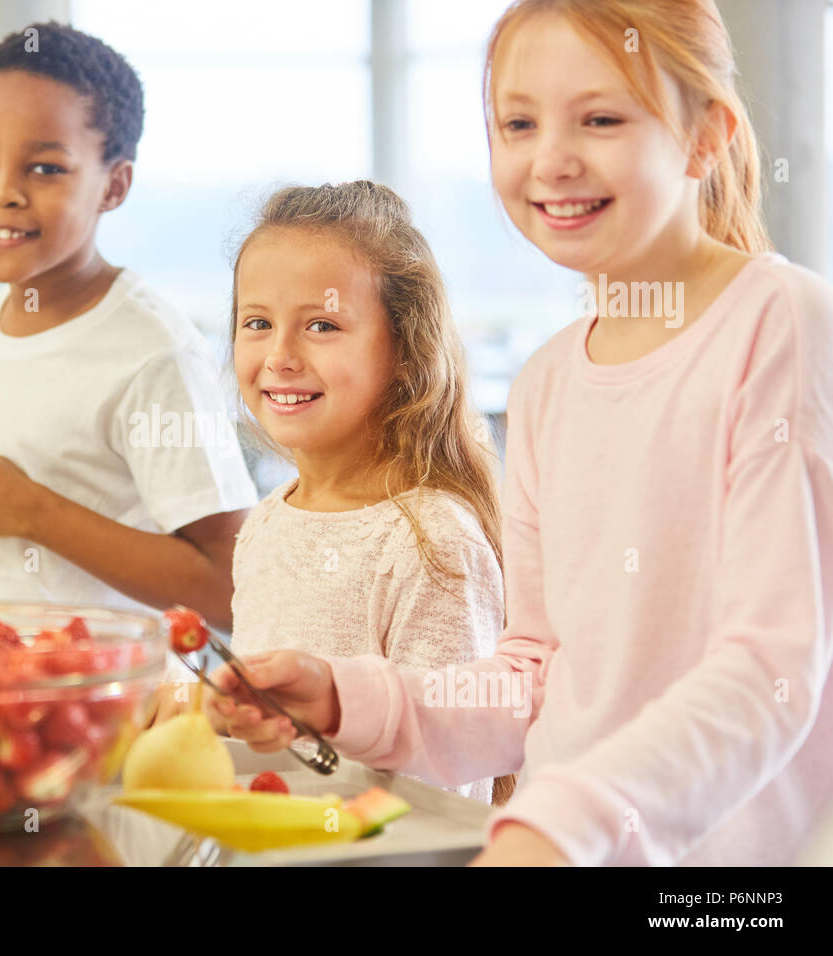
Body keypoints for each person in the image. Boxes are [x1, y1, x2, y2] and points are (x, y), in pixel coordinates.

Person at [210, 0, 833, 866]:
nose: (552, 159)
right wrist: (348, 699)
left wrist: (564, 822)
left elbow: (773, 670)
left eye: (602, 118)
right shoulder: (547, 383)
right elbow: (530, 679)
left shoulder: (783, 320)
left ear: (705, 137)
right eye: (518, 122)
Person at [0, 23, 258, 636]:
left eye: (46, 168)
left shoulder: (153, 351)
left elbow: (234, 588)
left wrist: (31, 511)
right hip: (6, 710)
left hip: (118, 717)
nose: (2, 191)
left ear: (114, 186)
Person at [223, 181, 509, 804]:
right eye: (257, 323)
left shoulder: (432, 543)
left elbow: (449, 784)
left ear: (405, 352)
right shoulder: (266, 523)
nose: (279, 356)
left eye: (322, 325)